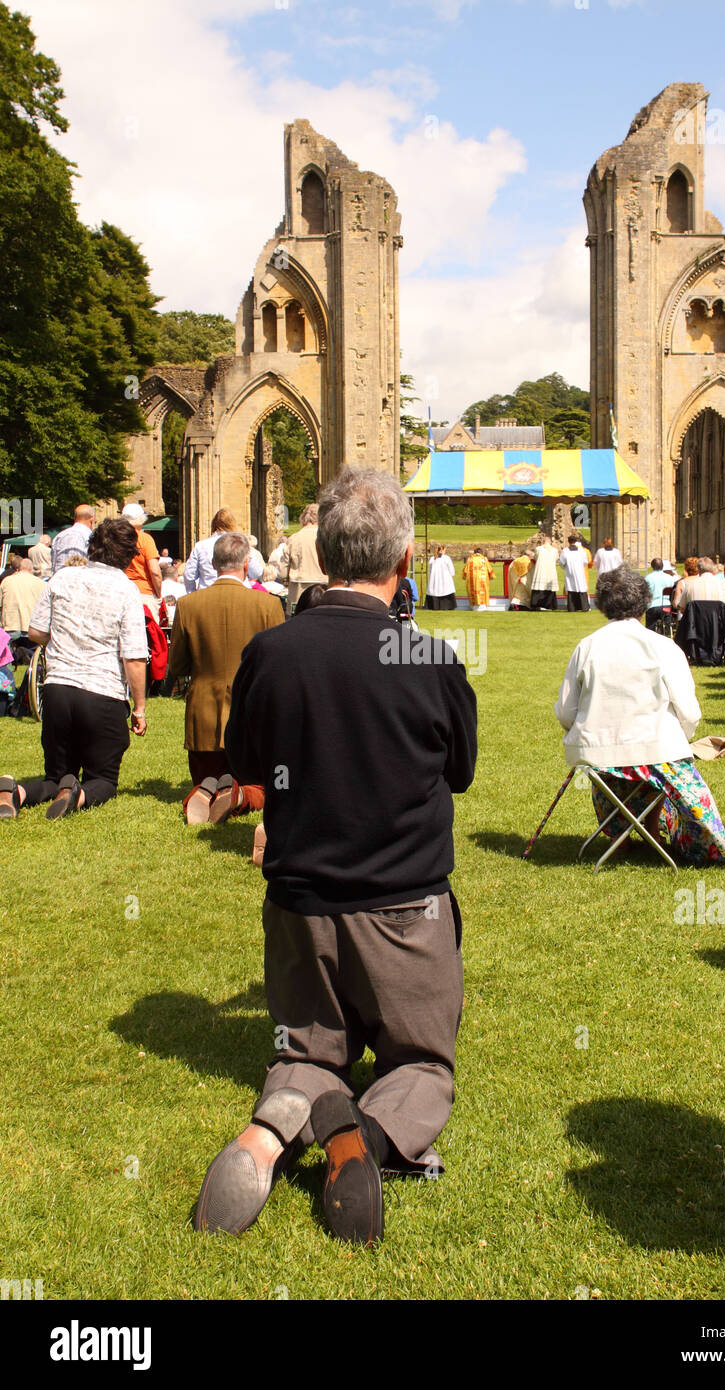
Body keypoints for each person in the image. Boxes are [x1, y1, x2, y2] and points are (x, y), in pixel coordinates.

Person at [194, 466, 477, 1246]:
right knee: (420, 1063)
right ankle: (363, 1142)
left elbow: (249, 764)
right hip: (405, 905)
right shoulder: (430, 659)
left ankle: (270, 1130)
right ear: (406, 561)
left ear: (322, 552)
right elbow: (461, 772)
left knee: (307, 1048)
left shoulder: (272, 653)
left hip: (300, 905)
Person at [554, 566, 725, 865]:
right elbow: (688, 710)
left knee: (627, 769)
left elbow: (566, 710)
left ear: (603, 604)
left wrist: (584, 732)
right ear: (643, 603)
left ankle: (621, 835)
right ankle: (657, 832)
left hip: (600, 755)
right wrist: (682, 737)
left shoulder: (586, 647)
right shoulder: (663, 647)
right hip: (657, 750)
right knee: (661, 767)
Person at [0, 518, 148, 820]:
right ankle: (76, 795)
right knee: (103, 779)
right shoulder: (126, 590)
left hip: (58, 690)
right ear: (129, 555)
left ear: (92, 546)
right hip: (102, 693)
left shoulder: (62, 578)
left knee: (54, 776)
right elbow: (133, 656)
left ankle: (16, 793)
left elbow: (36, 632)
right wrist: (140, 708)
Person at [169, 533, 284, 825]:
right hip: (250, 716)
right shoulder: (268, 605)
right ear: (247, 564)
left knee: (205, 776)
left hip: (204, 716)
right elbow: (279, 665)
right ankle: (236, 796)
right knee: (262, 786)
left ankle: (204, 794)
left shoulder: (188, 605)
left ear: (212, 563)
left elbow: (178, 665)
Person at [184, 508, 265, 592]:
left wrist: (192, 594)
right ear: (232, 524)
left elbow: (189, 575)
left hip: (208, 593)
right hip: (238, 593)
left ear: (214, 524)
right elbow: (257, 572)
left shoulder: (200, 546)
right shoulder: (241, 544)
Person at [121, 503, 162, 621]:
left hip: (121, 590)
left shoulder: (115, 538)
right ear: (141, 519)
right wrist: (158, 594)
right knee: (148, 634)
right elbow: (155, 572)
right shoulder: (145, 539)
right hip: (144, 593)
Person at [285, 504, 327, 609]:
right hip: (323, 587)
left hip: (298, 589)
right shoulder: (326, 537)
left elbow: (282, 570)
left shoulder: (293, 539)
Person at [0, 558, 44, 639]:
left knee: (10, 651)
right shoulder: (41, 583)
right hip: (31, 627)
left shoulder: (7, 581)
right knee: (31, 651)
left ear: (18, 569)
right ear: (31, 569)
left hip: (10, 626)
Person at [51, 505, 94, 572]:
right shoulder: (80, 536)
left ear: (75, 518)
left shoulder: (60, 535)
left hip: (58, 579)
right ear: (92, 520)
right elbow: (72, 570)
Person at [559, 533, 591, 612]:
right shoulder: (582, 551)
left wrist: (566, 567)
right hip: (580, 572)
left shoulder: (565, 551)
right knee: (581, 588)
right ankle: (584, 607)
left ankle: (572, 607)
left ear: (568, 542)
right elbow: (585, 562)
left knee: (571, 588)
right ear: (576, 541)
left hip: (570, 573)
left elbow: (561, 563)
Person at [530, 536, 559, 610]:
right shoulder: (554, 550)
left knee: (539, 587)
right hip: (550, 571)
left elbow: (535, 557)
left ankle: (536, 605)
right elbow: (556, 559)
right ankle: (550, 605)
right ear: (550, 542)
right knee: (549, 588)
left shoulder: (538, 549)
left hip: (541, 570)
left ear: (544, 542)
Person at [426, 544, 457, 610]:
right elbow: (451, 570)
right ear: (442, 550)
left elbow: (430, 571)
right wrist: (452, 574)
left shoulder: (432, 559)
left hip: (434, 580)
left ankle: (434, 606)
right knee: (446, 590)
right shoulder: (446, 558)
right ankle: (447, 606)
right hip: (445, 579)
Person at [643, 557, 670, 631]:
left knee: (650, 627)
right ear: (662, 566)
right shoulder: (670, 578)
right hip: (667, 606)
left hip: (653, 606)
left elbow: (645, 592)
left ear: (652, 566)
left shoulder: (648, 578)